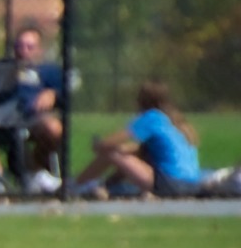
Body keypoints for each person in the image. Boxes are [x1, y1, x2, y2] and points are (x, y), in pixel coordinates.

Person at [73, 80, 202, 198]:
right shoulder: (176, 121)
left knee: (112, 152)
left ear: (141, 100)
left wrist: (99, 145)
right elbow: (141, 150)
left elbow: (112, 141)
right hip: (192, 184)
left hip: (169, 182)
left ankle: (76, 186)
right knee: (133, 154)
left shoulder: (152, 117)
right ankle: (106, 186)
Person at [10, 27, 66, 191]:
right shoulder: (2, 69)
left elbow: (65, 93)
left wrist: (53, 93)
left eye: (29, 47)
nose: (23, 51)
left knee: (54, 128)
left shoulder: (49, 71)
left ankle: (35, 172)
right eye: (19, 46)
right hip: (4, 118)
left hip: (34, 118)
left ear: (39, 49)